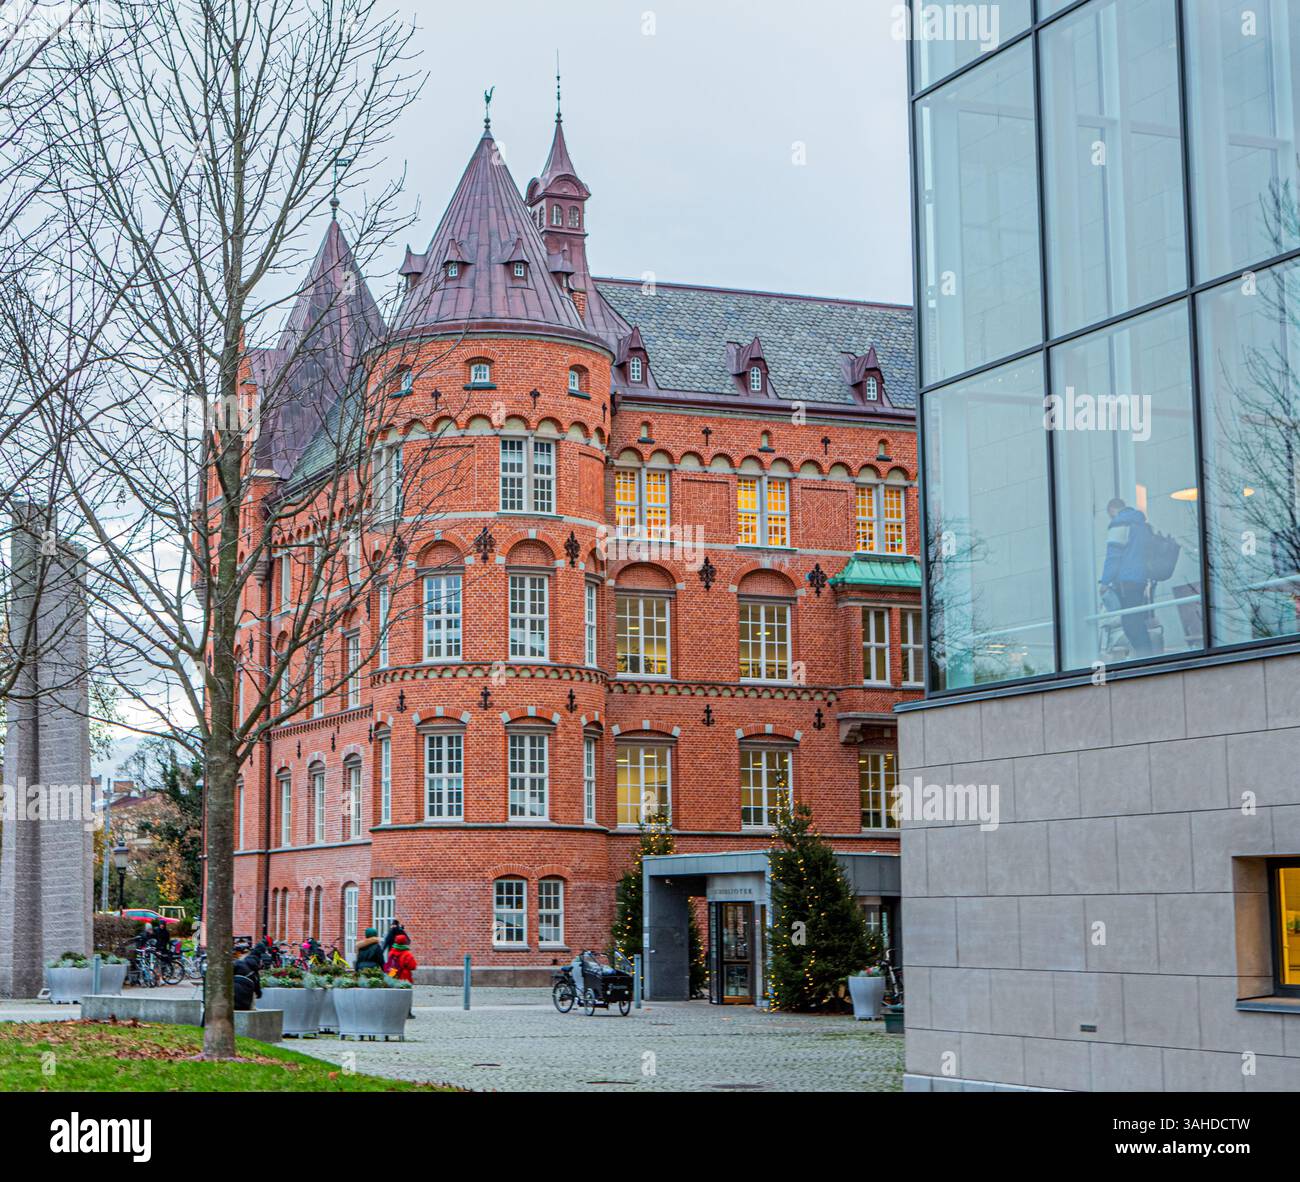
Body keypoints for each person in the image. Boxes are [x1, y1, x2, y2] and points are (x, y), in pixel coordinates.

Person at [1100, 498, 1153, 658]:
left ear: (1112, 510)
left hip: (1126, 580)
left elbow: (1113, 556)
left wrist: (1104, 581)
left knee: (1130, 623)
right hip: (1141, 579)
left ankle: (1146, 658)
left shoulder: (1119, 523)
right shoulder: (1140, 524)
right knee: (1136, 620)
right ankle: (1147, 655)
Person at [385, 933, 417, 1019]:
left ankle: (395, 1011)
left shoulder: (391, 952)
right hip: (405, 976)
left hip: (394, 974)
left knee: (394, 994)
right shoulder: (407, 954)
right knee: (406, 995)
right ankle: (407, 1013)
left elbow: (389, 964)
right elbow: (413, 966)